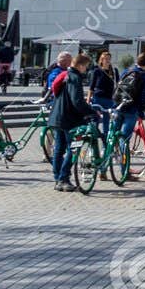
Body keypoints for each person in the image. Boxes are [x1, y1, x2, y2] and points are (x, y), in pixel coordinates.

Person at [49, 53, 93, 191]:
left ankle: (58, 180)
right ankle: (63, 178)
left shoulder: (64, 75)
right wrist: (90, 112)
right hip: (68, 119)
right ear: (80, 65)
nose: (86, 70)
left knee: (59, 149)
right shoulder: (74, 77)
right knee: (73, 149)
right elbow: (77, 101)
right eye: (85, 67)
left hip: (57, 116)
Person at [111, 52, 145, 158]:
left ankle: (108, 160)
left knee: (113, 135)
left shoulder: (126, 71)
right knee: (124, 138)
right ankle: (124, 169)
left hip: (118, 106)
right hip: (131, 109)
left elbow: (117, 88)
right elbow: (143, 98)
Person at [87, 51, 116, 139]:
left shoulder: (114, 71)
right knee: (95, 120)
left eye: (109, 59)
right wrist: (88, 99)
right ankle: (93, 141)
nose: (107, 61)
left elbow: (117, 85)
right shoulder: (97, 71)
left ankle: (105, 144)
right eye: (105, 59)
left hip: (109, 99)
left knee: (107, 122)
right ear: (101, 60)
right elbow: (91, 86)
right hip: (98, 98)